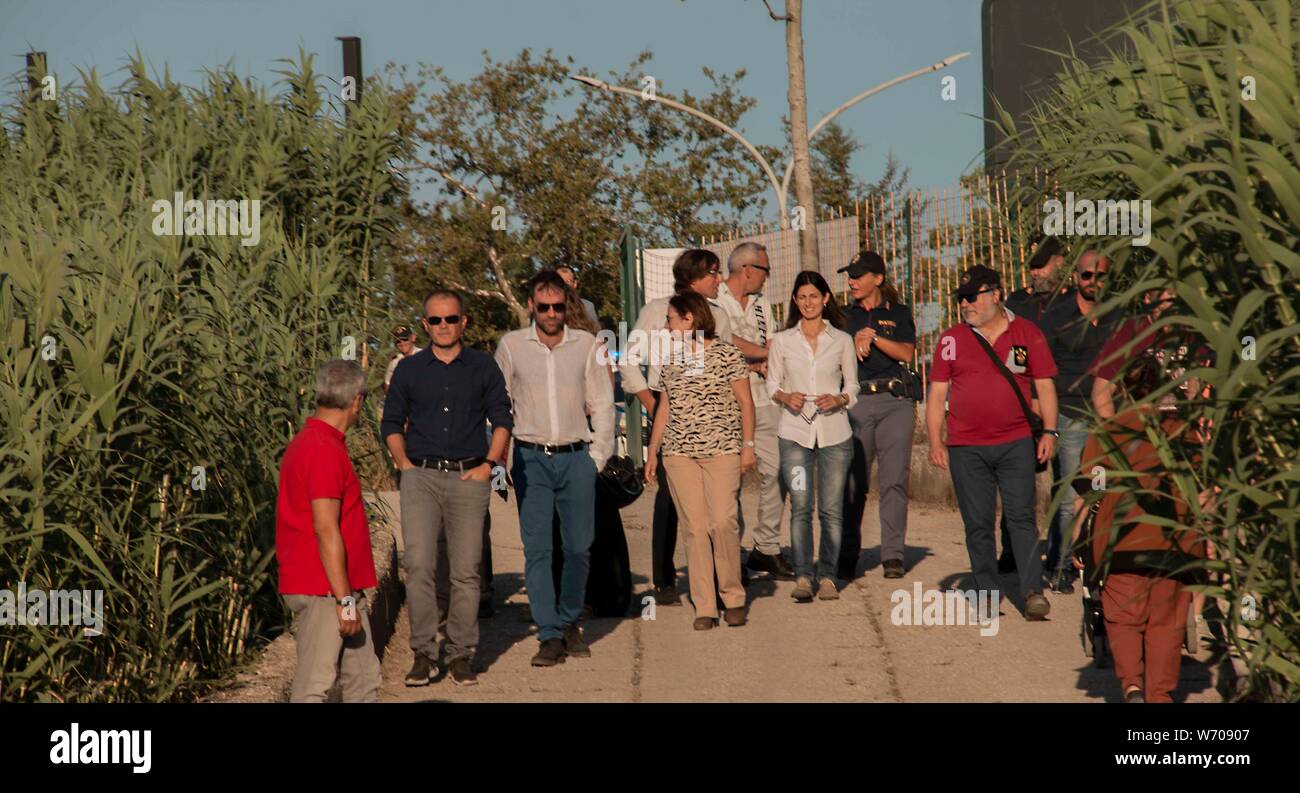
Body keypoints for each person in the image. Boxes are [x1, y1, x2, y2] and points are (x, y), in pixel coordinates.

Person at [382, 289, 513, 687]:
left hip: (468, 476)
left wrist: (489, 464)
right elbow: (391, 423)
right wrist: (404, 465)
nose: (443, 326)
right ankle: (423, 653)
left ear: (463, 322)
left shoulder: (483, 366)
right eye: (436, 320)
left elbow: (503, 419)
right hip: (420, 476)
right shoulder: (409, 369)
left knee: (466, 571)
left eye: (451, 319)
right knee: (420, 565)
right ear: (425, 325)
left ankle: (460, 654)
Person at [1070, 358, 1209, 703]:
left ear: (1122, 389)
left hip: (1120, 543)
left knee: (1123, 619)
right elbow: (1202, 492)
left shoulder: (1108, 433)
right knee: (1166, 624)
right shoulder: (1181, 431)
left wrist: (1079, 541)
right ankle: (1159, 695)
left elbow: (1091, 493)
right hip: (1173, 545)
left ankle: (1132, 686)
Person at [496, 270, 615, 666]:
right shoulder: (511, 346)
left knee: (579, 547)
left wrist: (597, 457)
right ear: (531, 305)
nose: (551, 314)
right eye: (544, 306)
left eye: (558, 307)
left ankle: (569, 620)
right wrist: (502, 459)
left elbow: (602, 402)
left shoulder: (587, 344)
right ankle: (549, 633)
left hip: (577, 456)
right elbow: (498, 405)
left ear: (568, 306)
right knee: (538, 549)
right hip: (530, 458)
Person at [927, 265, 1058, 620]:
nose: (965, 304)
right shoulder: (951, 339)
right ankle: (986, 592)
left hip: (1016, 441)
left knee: (1021, 518)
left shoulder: (1027, 332)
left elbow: (1044, 385)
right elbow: (937, 394)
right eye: (961, 299)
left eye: (972, 297)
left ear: (996, 294)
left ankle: (1032, 592)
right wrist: (935, 441)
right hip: (965, 447)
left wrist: (1049, 431)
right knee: (978, 523)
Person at [618, 249, 733, 605]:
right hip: (666, 403)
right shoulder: (657, 311)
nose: (719, 279)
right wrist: (653, 405)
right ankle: (664, 579)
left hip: (711, 412)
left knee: (717, 502)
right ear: (694, 277)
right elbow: (628, 361)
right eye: (713, 273)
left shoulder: (719, 315)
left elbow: (727, 368)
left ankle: (720, 577)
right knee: (671, 496)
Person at [644, 291, 757, 630]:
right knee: (694, 528)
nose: (666, 327)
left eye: (670, 320)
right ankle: (704, 605)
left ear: (689, 319)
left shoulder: (727, 354)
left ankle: (732, 596)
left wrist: (748, 445)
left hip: (723, 450)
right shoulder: (671, 359)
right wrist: (653, 449)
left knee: (722, 522)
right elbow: (664, 407)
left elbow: (746, 402)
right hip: (679, 455)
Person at [275, 359, 380, 702]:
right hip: (325, 589)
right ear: (357, 401)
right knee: (314, 687)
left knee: (363, 680)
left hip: (336, 587)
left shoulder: (314, 442)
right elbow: (325, 528)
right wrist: (345, 601)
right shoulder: (322, 450)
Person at [767, 271, 859, 601]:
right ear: (795, 300)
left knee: (831, 510)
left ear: (825, 298)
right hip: (795, 435)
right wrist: (784, 396)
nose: (808, 303)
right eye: (802, 297)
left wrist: (840, 398)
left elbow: (853, 385)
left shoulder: (842, 340)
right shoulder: (782, 341)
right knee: (801, 506)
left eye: (814, 296)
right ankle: (804, 575)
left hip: (835, 434)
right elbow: (771, 383)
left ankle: (829, 576)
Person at [715, 242, 796, 581]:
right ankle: (731, 554)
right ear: (747, 270)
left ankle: (766, 547)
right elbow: (722, 341)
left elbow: (772, 344)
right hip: (727, 403)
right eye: (766, 270)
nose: (768, 277)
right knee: (728, 481)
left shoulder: (762, 303)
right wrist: (761, 354)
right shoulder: (713, 299)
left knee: (778, 471)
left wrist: (767, 360)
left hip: (764, 399)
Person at [837, 250, 918, 580]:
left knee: (893, 481)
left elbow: (907, 352)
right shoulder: (843, 316)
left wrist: (875, 338)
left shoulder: (898, 312)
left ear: (878, 278)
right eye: (850, 276)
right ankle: (846, 553)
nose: (852, 281)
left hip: (894, 401)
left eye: (858, 275)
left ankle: (893, 554)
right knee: (853, 482)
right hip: (857, 402)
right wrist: (853, 339)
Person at [1037, 250, 1114, 594]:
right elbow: (1041, 371)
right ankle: (1060, 567)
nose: (1093, 281)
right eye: (1087, 275)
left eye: (1101, 275)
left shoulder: (1118, 315)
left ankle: (1097, 564)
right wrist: (1046, 420)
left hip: (1108, 416)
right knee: (1068, 496)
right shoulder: (1055, 317)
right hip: (1070, 413)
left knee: (1102, 493)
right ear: (1075, 277)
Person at [1004, 235, 1066, 324]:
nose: (1035, 273)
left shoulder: (1073, 300)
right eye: (1032, 266)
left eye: (1041, 265)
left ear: (1059, 262)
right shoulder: (1017, 301)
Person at [384, 324, 419, 394]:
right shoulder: (394, 362)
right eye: (398, 341)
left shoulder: (423, 356)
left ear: (413, 338)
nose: (402, 343)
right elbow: (387, 385)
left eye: (405, 339)